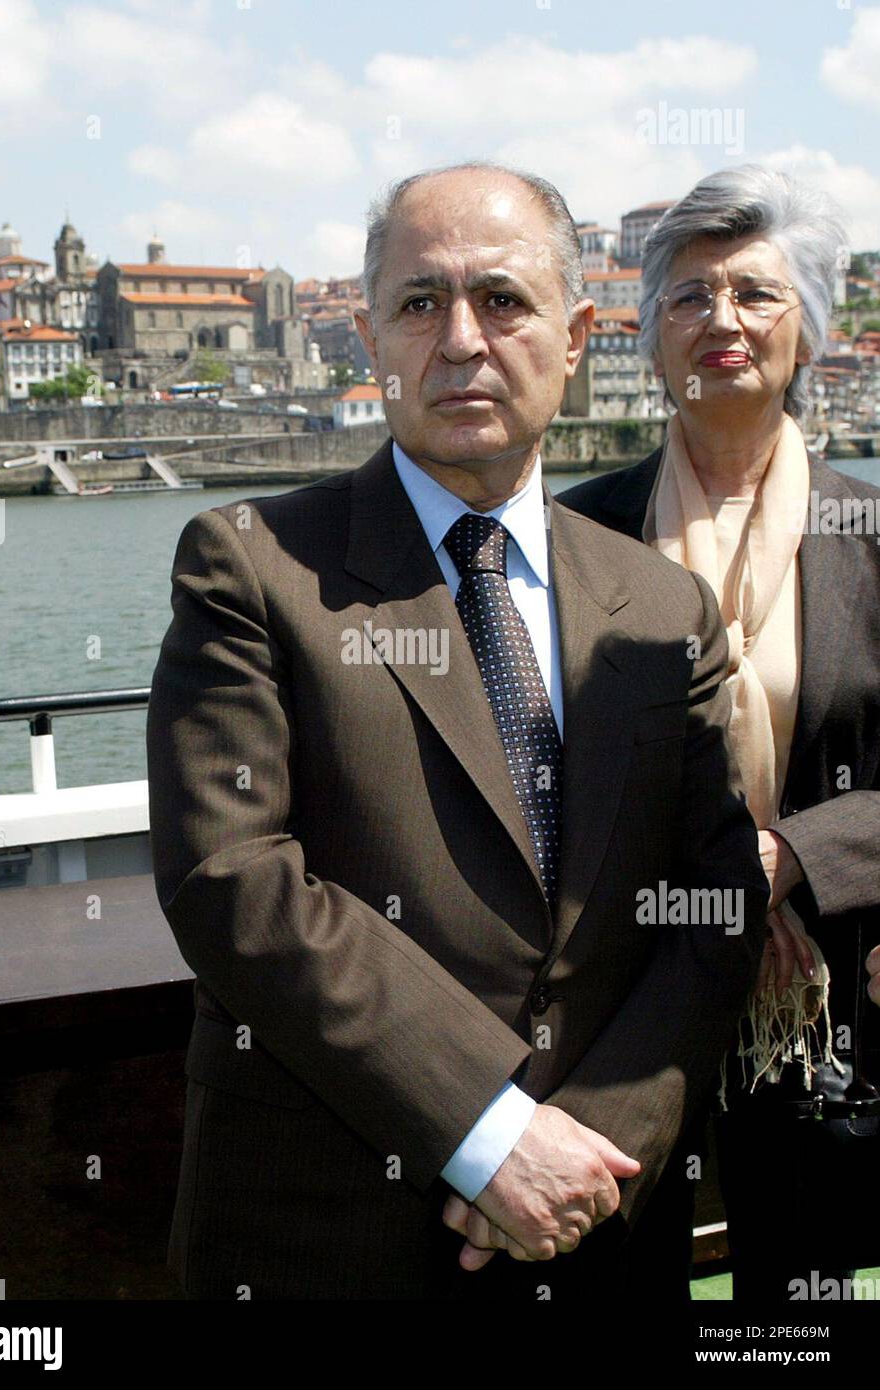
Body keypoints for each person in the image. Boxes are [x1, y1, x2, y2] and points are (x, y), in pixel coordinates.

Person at [145, 161, 767, 1302]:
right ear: (368, 334)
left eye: (504, 299)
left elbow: (716, 899)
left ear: (578, 336)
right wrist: (490, 1133)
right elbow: (230, 876)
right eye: (420, 304)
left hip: (601, 1230)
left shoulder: (663, 606)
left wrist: (589, 1150)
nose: (463, 340)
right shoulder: (251, 563)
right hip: (331, 1243)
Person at [561, 165, 880, 1300]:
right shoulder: (576, 533)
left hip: (819, 996)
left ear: (810, 331)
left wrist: (791, 855)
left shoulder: (872, 532)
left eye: (757, 293)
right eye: (688, 298)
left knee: (805, 1291)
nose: (723, 322)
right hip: (627, 997)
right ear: (649, 339)